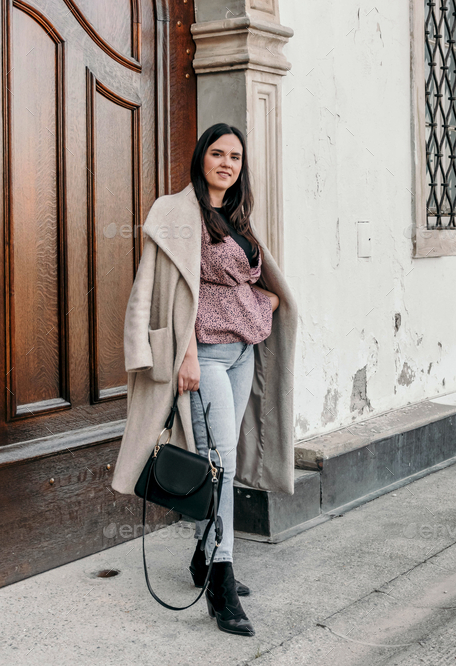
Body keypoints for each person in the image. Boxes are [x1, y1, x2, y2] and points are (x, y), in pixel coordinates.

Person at [112, 122, 298, 638]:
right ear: (200, 159)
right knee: (222, 462)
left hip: (242, 354)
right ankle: (220, 582)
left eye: (235, 156)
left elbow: (250, 278)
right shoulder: (178, 213)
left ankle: (204, 554)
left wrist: (271, 303)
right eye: (217, 153)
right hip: (206, 358)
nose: (226, 163)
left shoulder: (238, 217)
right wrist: (187, 357)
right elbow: (175, 290)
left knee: (224, 457)